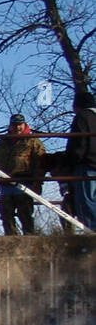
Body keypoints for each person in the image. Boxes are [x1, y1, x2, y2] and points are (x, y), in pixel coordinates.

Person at [0, 113, 47, 235]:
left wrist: (38, 182)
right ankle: (11, 238)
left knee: (25, 214)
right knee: (5, 214)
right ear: (10, 126)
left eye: (20, 124)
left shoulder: (33, 141)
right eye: (14, 125)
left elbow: (41, 163)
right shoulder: (2, 143)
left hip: (25, 183)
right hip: (5, 184)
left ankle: (29, 238)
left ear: (24, 125)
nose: (17, 128)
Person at [61, 89, 96, 232]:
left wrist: (72, 160)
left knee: (86, 201)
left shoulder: (83, 117)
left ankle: (91, 234)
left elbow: (79, 142)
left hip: (87, 164)